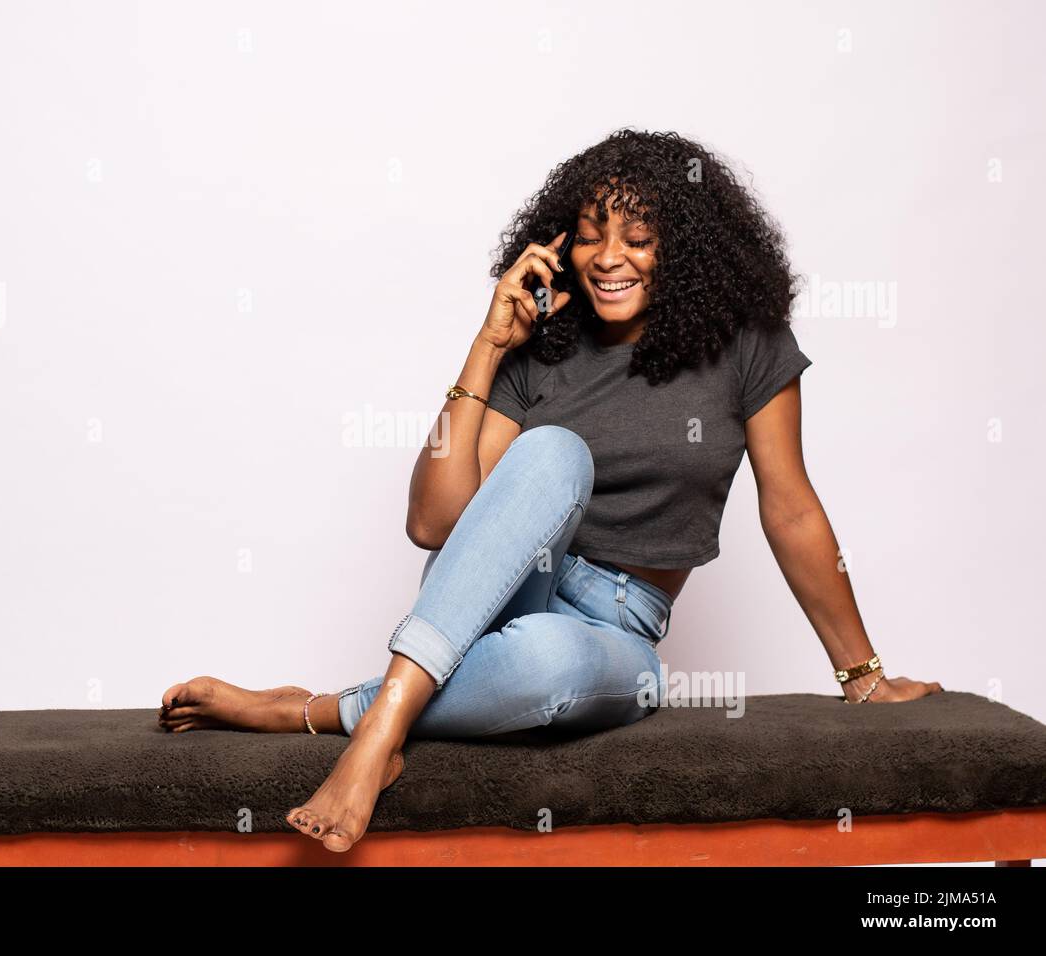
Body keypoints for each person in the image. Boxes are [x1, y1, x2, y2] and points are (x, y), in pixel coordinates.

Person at [157, 128, 943, 853]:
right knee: (553, 453)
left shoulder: (746, 346)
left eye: (638, 238)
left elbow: (792, 504)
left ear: (686, 251)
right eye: (592, 234)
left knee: (548, 666)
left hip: (620, 633)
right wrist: (487, 346)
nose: (609, 257)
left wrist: (863, 675)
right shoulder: (545, 344)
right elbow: (434, 524)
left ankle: (314, 709)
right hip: (505, 584)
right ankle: (376, 736)